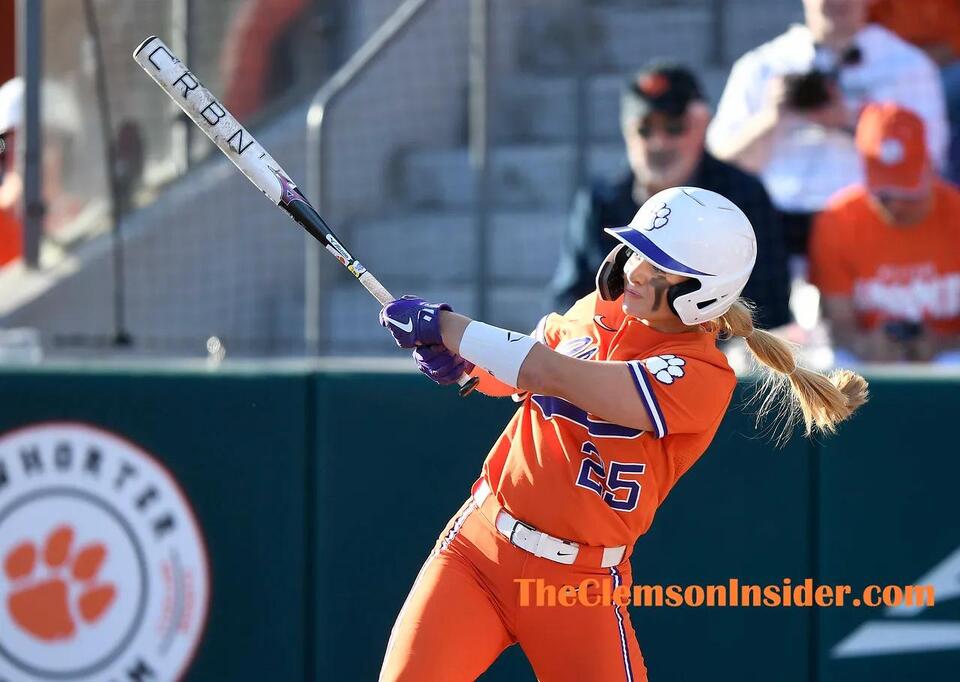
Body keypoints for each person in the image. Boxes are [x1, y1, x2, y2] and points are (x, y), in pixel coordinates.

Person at [376, 186, 868, 681]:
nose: (634, 271)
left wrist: (449, 326)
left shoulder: (700, 373)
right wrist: (465, 367)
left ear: (705, 291)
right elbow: (519, 371)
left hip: (576, 586)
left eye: (660, 267)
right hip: (477, 552)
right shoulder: (600, 308)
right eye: (636, 251)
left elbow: (554, 375)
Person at [551, 60, 791, 330]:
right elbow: (568, 300)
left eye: (674, 127)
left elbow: (769, 308)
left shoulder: (743, 196)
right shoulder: (600, 201)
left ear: (702, 126)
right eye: (645, 128)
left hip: (718, 357)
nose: (659, 142)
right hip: (614, 354)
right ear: (627, 131)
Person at [707, 0, 948, 260]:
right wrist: (770, 118)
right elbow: (720, 162)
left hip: (870, 224)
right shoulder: (762, 66)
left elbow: (931, 160)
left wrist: (853, 122)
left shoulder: (908, 67)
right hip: (777, 227)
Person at [810, 102, 960, 364]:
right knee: (833, 363)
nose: (898, 204)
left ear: (929, 168)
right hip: (869, 356)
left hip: (948, 354)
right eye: (885, 194)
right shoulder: (838, 219)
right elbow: (838, 321)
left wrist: (939, 344)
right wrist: (864, 344)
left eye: (908, 191)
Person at [868, 0, 960, 185]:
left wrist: (920, 61)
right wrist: (909, 61)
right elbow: (866, 29)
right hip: (895, 67)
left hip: (948, 63)